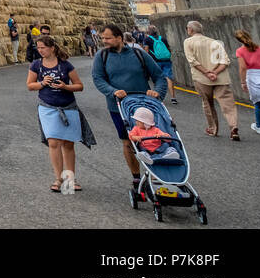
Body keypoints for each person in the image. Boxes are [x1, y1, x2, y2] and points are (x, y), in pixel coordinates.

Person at [91, 23, 169, 189]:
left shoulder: (138, 54)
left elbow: (159, 76)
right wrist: (112, 91)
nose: (104, 41)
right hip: (118, 106)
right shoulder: (101, 56)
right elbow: (98, 79)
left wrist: (158, 94)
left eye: (108, 38)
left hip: (144, 106)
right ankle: (136, 177)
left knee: (152, 139)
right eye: (102, 38)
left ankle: (157, 173)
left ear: (119, 38)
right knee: (127, 141)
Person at [27, 34, 92, 192]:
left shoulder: (65, 65)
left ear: (52, 48)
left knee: (68, 144)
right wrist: (42, 83)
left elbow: (79, 85)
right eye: (39, 48)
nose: (40, 50)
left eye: (43, 47)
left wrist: (65, 86)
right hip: (47, 106)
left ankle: (70, 179)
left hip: (68, 106)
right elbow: (30, 85)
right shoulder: (36, 65)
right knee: (53, 142)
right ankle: (58, 179)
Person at [184, 21, 238, 140]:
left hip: (202, 78)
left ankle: (213, 129)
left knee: (207, 103)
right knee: (228, 104)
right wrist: (216, 72)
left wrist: (207, 73)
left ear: (190, 30)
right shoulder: (215, 42)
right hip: (221, 77)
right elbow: (225, 61)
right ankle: (233, 127)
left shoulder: (188, 42)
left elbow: (192, 60)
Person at [233, 30, 260, 135]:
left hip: (252, 77)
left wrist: (243, 82)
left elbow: (243, 68)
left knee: (258, 103)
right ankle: (259, 126)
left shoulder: (240, 51)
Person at [146, 25, 177, 104]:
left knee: (157, 79)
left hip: (155, 61)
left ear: (148, 31)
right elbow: (169, 49)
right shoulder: (162, 38)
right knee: (169, 77)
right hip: (166, 60)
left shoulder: (147, 39)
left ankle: (158, 96)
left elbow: (146, 52)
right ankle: (173, 97)